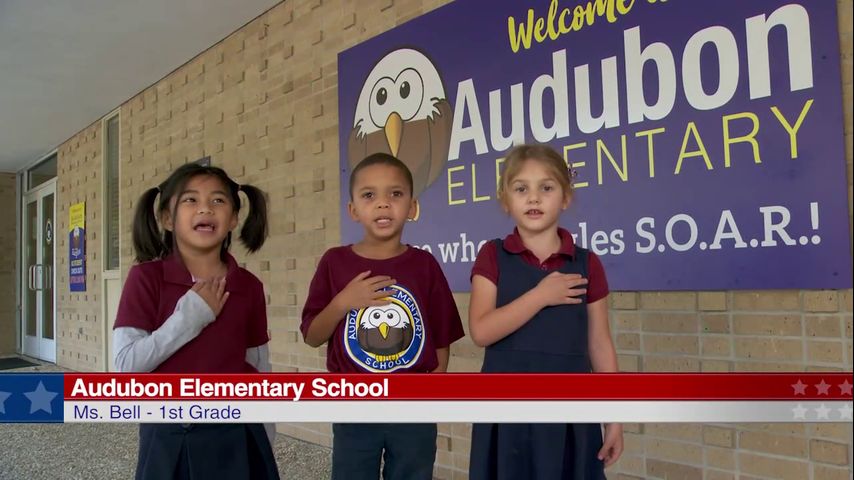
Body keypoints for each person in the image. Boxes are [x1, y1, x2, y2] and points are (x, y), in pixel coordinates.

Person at [301, 153, 465, 480]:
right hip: (354, 407)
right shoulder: (335, 262)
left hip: (413, 410)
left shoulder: (425, 265)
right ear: (353, 210)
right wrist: (344, 301)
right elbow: (312, 336)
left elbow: (441, 338)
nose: (382, 204)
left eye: (395, 194)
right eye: (369, 195)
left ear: (412, 206)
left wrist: (429, 396)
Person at [113, 162, 279, 479]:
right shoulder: (146, 278)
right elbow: (125, 366)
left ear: (233, 218)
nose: (205, 208)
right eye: (190, 200)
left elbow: (258, 365)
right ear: (166, 218)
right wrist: (190, 318)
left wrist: (265, 436)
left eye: (218, 200)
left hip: (237, 431)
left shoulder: (249, 285)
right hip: (169, 434)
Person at [468, 144, 623, 480]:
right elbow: (481, 331)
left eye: (547, 188)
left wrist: (614, 417)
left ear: (565, 198)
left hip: (570, 417)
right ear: (505, 199)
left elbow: (599, 343)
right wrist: (540, 295)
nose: (534, 198)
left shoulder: (586, 263)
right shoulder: (492, 255)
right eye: (521, 189)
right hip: (505, 413)